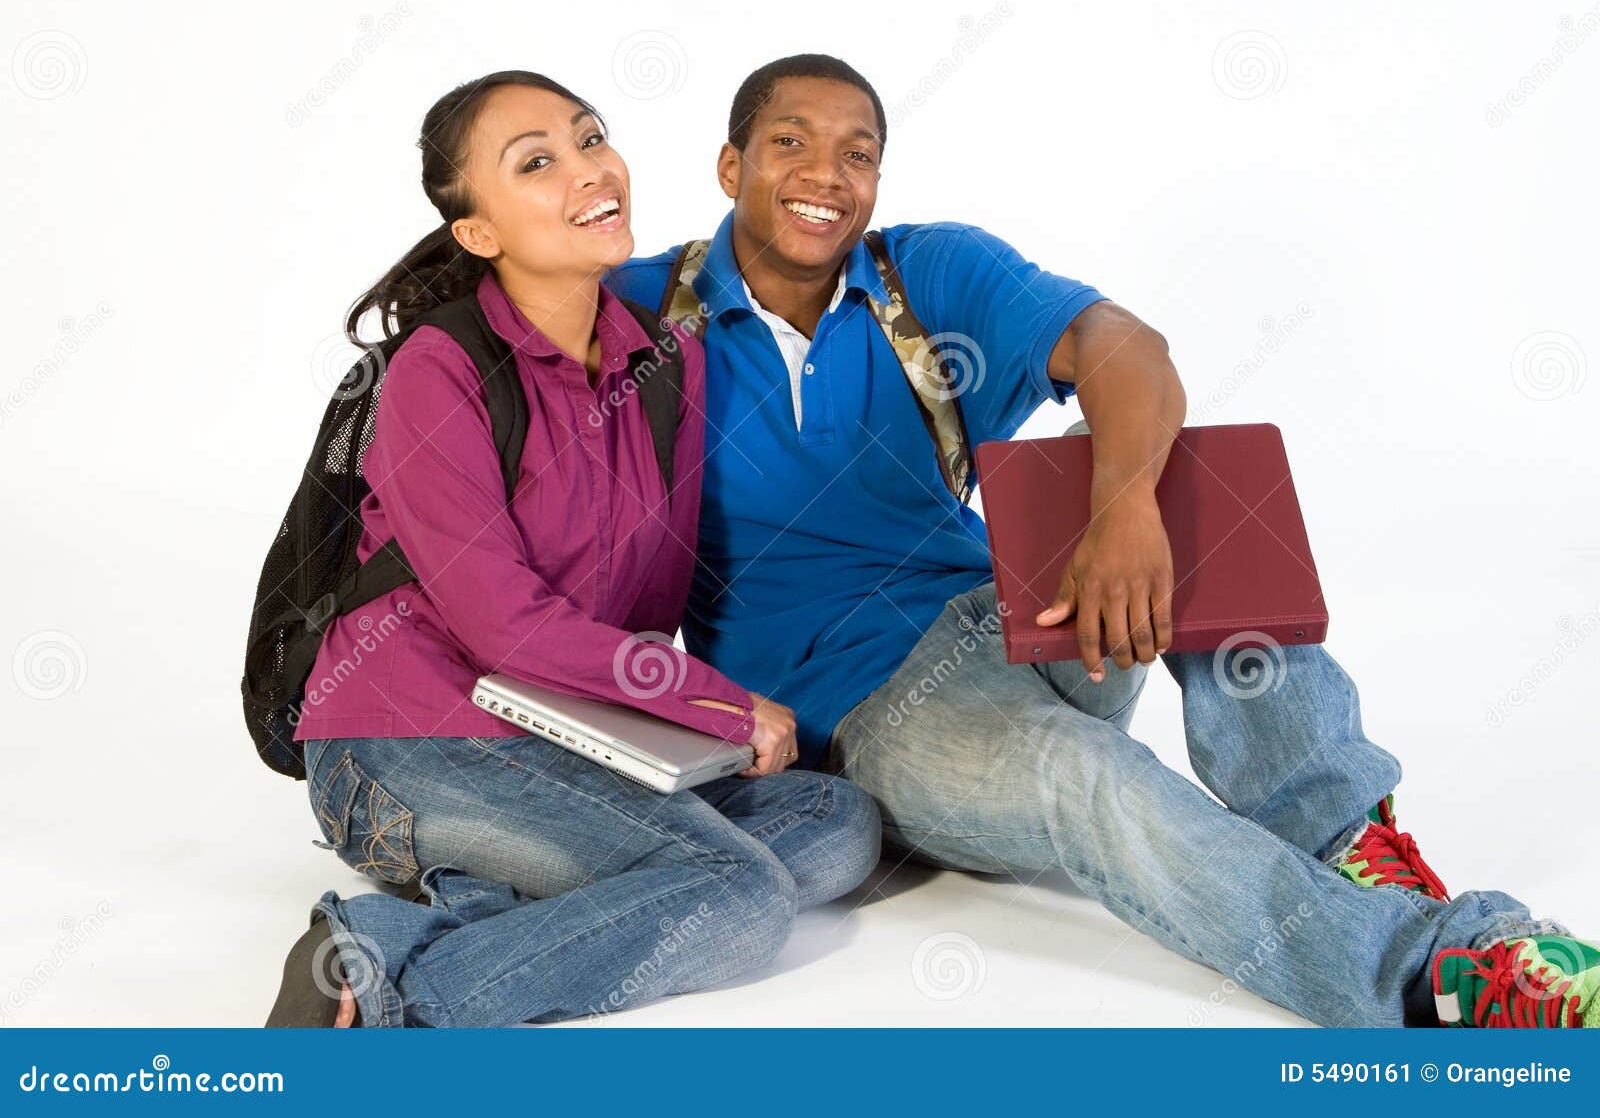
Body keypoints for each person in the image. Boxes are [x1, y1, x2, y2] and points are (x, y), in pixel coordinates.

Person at [606, 53, 1598, 1028]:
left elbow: (1129, 347)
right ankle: (1436, 971)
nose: (826, 175)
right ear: (730, 167)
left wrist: (1123, 509)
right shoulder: (638, 312)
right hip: (869, 704)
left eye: (855, 153)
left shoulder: (920, 268)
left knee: (1171, 462)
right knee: (1094, 777)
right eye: (791, 143)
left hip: (1039, 613)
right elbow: (487, 339)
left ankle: (1340, 833)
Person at [266, 70, 881, 1028]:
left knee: (837, 824)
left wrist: (672, 731)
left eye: (590, 139)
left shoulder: (667, 362)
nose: (589, 172)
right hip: (404, 742)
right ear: (480, 232)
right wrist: (716, 703)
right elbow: (503, 627)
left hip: (559, 732)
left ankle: (425, 928)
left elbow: (651, 601)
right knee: (743, 896)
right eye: (538, 163)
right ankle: (397, 992)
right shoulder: (440, 370)